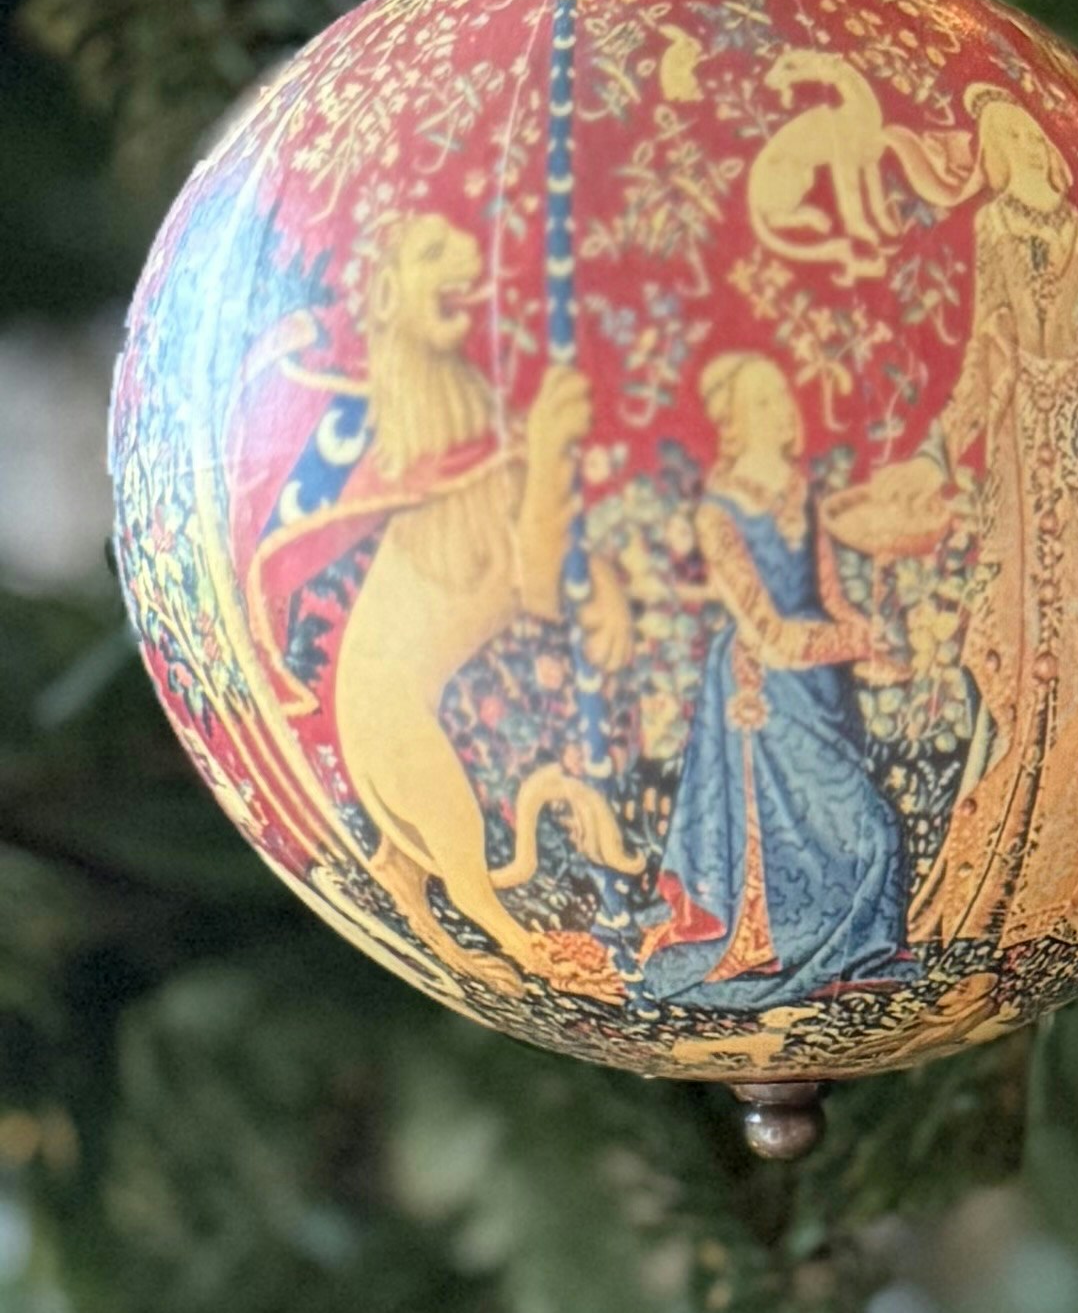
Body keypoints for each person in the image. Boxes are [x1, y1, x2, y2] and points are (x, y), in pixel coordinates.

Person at [247, 211, 625, 984]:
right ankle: (518, 948)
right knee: (468, 866)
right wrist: (548, 451)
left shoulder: (468, 413)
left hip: (388, 705)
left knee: (441, 850)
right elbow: (535, 585)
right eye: (432, 254)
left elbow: (522, 569)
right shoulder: (410, 438)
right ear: (389, 296)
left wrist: (598, 572)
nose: (464, 258)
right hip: (386, 711)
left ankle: (448, 925)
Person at [913, 89, 1078, 966]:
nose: (1025, 146)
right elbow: (986, 337)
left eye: (1029, 132)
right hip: (1028, 425)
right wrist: (950, 432)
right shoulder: (993, 227)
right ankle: (1033, 799)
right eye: (1009, 138)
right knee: (1035, 614)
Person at [636, 351, 913, 1003]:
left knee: (871, 828)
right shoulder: (718, 514)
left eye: (780, 397)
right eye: (762, 402)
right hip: (763, 689)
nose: (780, 411)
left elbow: (832, 599)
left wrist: (876, 640)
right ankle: (787, 947)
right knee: (856, 831)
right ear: (735, 419)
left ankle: (854, 958)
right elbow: (771, 634)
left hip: (824, 689)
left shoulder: (799, 491)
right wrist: (852, 639)